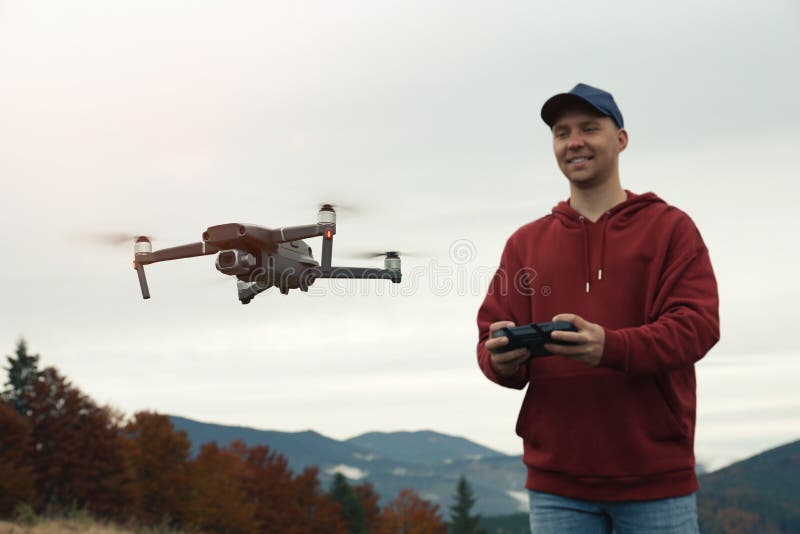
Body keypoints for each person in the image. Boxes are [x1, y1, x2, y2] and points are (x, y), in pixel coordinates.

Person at [476, 83, 719, 533]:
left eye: (589, 128)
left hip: (656, 482)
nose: (574, 142)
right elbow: (488, 337)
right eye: (562, 132)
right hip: (556, 487)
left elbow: (698, 327)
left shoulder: (671, 229)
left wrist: (610, 346)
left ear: (621, 139)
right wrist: (501, 359)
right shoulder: (525, 243)